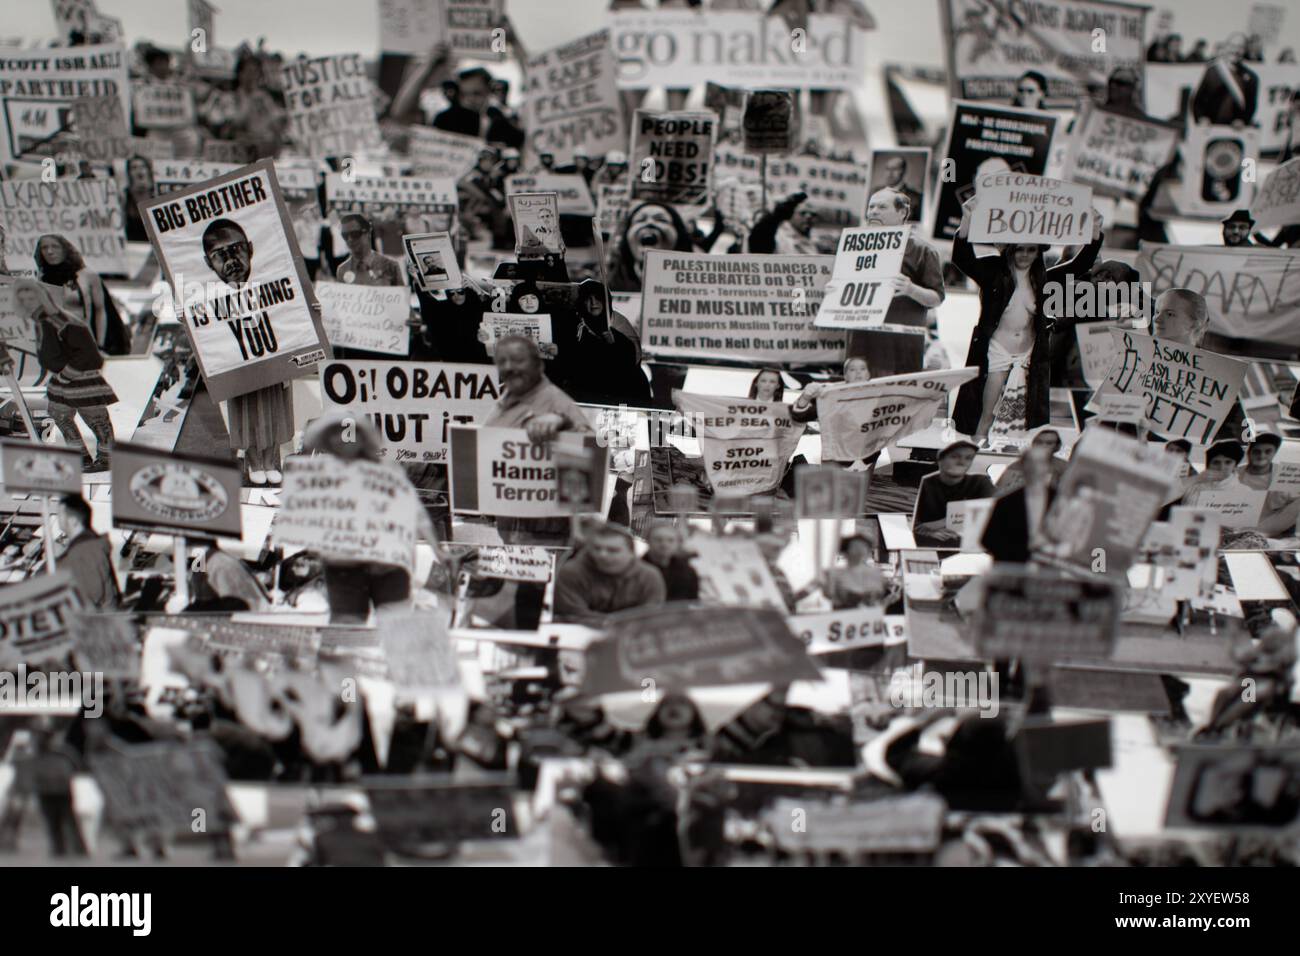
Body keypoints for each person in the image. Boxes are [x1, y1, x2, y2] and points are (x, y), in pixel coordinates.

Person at [951, 198, 1103, 443]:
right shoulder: (992, 272)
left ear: (1038, 251)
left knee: (1023, 417)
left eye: (1031, 249)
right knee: (985, 411)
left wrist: (1095, 230)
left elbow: (1080, 264)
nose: (1024, 254)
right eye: (1019, 248)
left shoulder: (1045, 279)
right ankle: (977, 450)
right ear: (1010, 249)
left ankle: (1010, 453)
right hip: (997, 351)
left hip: (1029, 354)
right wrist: (967, 220)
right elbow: (962, 258)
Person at [299, 413, 441, 623]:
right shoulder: (320, 473)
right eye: (335, 436)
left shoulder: (387, 468)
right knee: (346, 631)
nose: (342, 441)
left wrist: (437, 549)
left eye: (349, 435)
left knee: (395, 628)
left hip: (386, 564)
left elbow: (414, 511)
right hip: (343, 567)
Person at [201, 218, 294, 485]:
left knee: (273, 410)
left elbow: (290, 319)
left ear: (250, 249)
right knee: (248, 413)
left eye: (236, 249)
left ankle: (270, 461)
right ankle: (254, 462)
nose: (230, 259)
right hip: (239, 369)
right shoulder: (210, 297)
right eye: (219, 255)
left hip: (271, 365)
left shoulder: (272, 285)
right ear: (209, 263)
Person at [10, 279, 117, 471]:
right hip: (63, 379)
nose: (27, 303)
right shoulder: (42, 321)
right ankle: (80, 457)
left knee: (96, 418)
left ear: (42, 297)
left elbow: (91, 356)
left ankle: (107, 459)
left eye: (32, 298)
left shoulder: (59, 321)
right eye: (23, 299)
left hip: (81, 379)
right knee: (58, 413)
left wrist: (66, 374)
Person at [845, 187, 946, 376]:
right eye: (871, 206)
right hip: (861, 342)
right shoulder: (855, 247)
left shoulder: (923, 250)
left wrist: (911, 289)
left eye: (882, 207)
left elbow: (937, 298)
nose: (874, 211)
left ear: (902, 213)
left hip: (901, 346)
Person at [34, 234, 130, 355]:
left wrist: (99, 345)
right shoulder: (42, 278)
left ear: (65, 249)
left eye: (55, 247)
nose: (50, 251)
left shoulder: (88, 276)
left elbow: (100, 311)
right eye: (44, 248)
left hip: (84, 340)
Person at [553, 522, 666, 625]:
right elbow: (571, 613)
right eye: (597, 549)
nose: (602, 555)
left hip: (632, 637)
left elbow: (651, 615)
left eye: (612, 550)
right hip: (580, 633)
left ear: (631, 553)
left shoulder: (649, 576)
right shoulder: (571, 573)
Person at [200, 52, 287, 158]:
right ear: (240, 73)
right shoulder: (228, 97)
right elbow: (221, 125)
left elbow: (275, 122)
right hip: (236, 153)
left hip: (262, 151)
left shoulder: (264, 99)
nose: (252, 76)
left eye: (256, 72)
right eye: (249, 71)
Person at [912, 440, 996, 548]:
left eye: (968, 458)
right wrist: (930, 532)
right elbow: (913, 523)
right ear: (940, 460)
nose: (962, 462)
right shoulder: (926, 483)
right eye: (955, 457)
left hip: (972, 544)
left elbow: (994, 515)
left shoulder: (981, 482)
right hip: (933, 544)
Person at [981, 445, 1056, 564]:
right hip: (1014, 567)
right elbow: (988, 540)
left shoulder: (1060, 500)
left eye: (1040, 462)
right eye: (1029, 462)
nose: (1034, 467)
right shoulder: (1005, 502)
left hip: (1050, 567)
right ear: (1022, 465)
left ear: (1049, 466)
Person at [607, 201, 695, 293]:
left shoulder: (695, 287)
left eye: (661, 220)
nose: (650, 222)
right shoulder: (607, 288)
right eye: (640, 220)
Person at [56, 493, 119, 609]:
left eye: (59, 515)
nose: (57, 519)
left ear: (73, 521)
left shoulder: (85, 551)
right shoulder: (88, 547)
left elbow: (89, 596)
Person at [1191, 33, 1259, 127]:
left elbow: (1251, 106)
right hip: (1211, 127)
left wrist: (1243, 120)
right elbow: (1198, 100)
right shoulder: (1212, 71)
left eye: (1240, 47)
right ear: (1226, 47)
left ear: (1245, 50)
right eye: (1233, 46)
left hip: (1235, 130)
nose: (1236, 51)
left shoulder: (1251, 77)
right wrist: (1201, 118)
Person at [335, 214, 405, 286]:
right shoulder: (342, 270)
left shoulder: (391, 266)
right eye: (345, 235)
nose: (349, 240)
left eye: (355, 234)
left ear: (368, 233)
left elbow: (401, 295)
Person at [994, 428, 1069, 492]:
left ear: (1057, 447)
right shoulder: (1016, 466)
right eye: (1039, 442)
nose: (1043, 446)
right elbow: (1000, 490)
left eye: (1049, 443)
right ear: (1033, 444)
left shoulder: (1064, 467)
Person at [641, 521, 699, 602]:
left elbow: (693, 602)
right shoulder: (635, 571)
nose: (664, 544)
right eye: (658, 540)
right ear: (648, 541)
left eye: (670, 540)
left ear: (677, 543)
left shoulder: (688, 572)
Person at [748, 192, 819, 255]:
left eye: (813, 214)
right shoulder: (779, 237)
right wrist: (776, 217)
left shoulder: (816, 242)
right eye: (802, 213)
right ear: (790, 214)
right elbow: (758, 240)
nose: (808, 217)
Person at [1181, 440, 1245, 508]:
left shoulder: (1244, 492)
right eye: (1216, 462)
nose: (1221, 467)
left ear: (1235, 466)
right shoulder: (1193, 488)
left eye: (1228, 462)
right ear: (1208, 466)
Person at [874, 155, 922, 223]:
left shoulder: (916, 198)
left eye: (895, 169)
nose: (890, 173)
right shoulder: (875, 192)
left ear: (903, 171)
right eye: (887, 169)